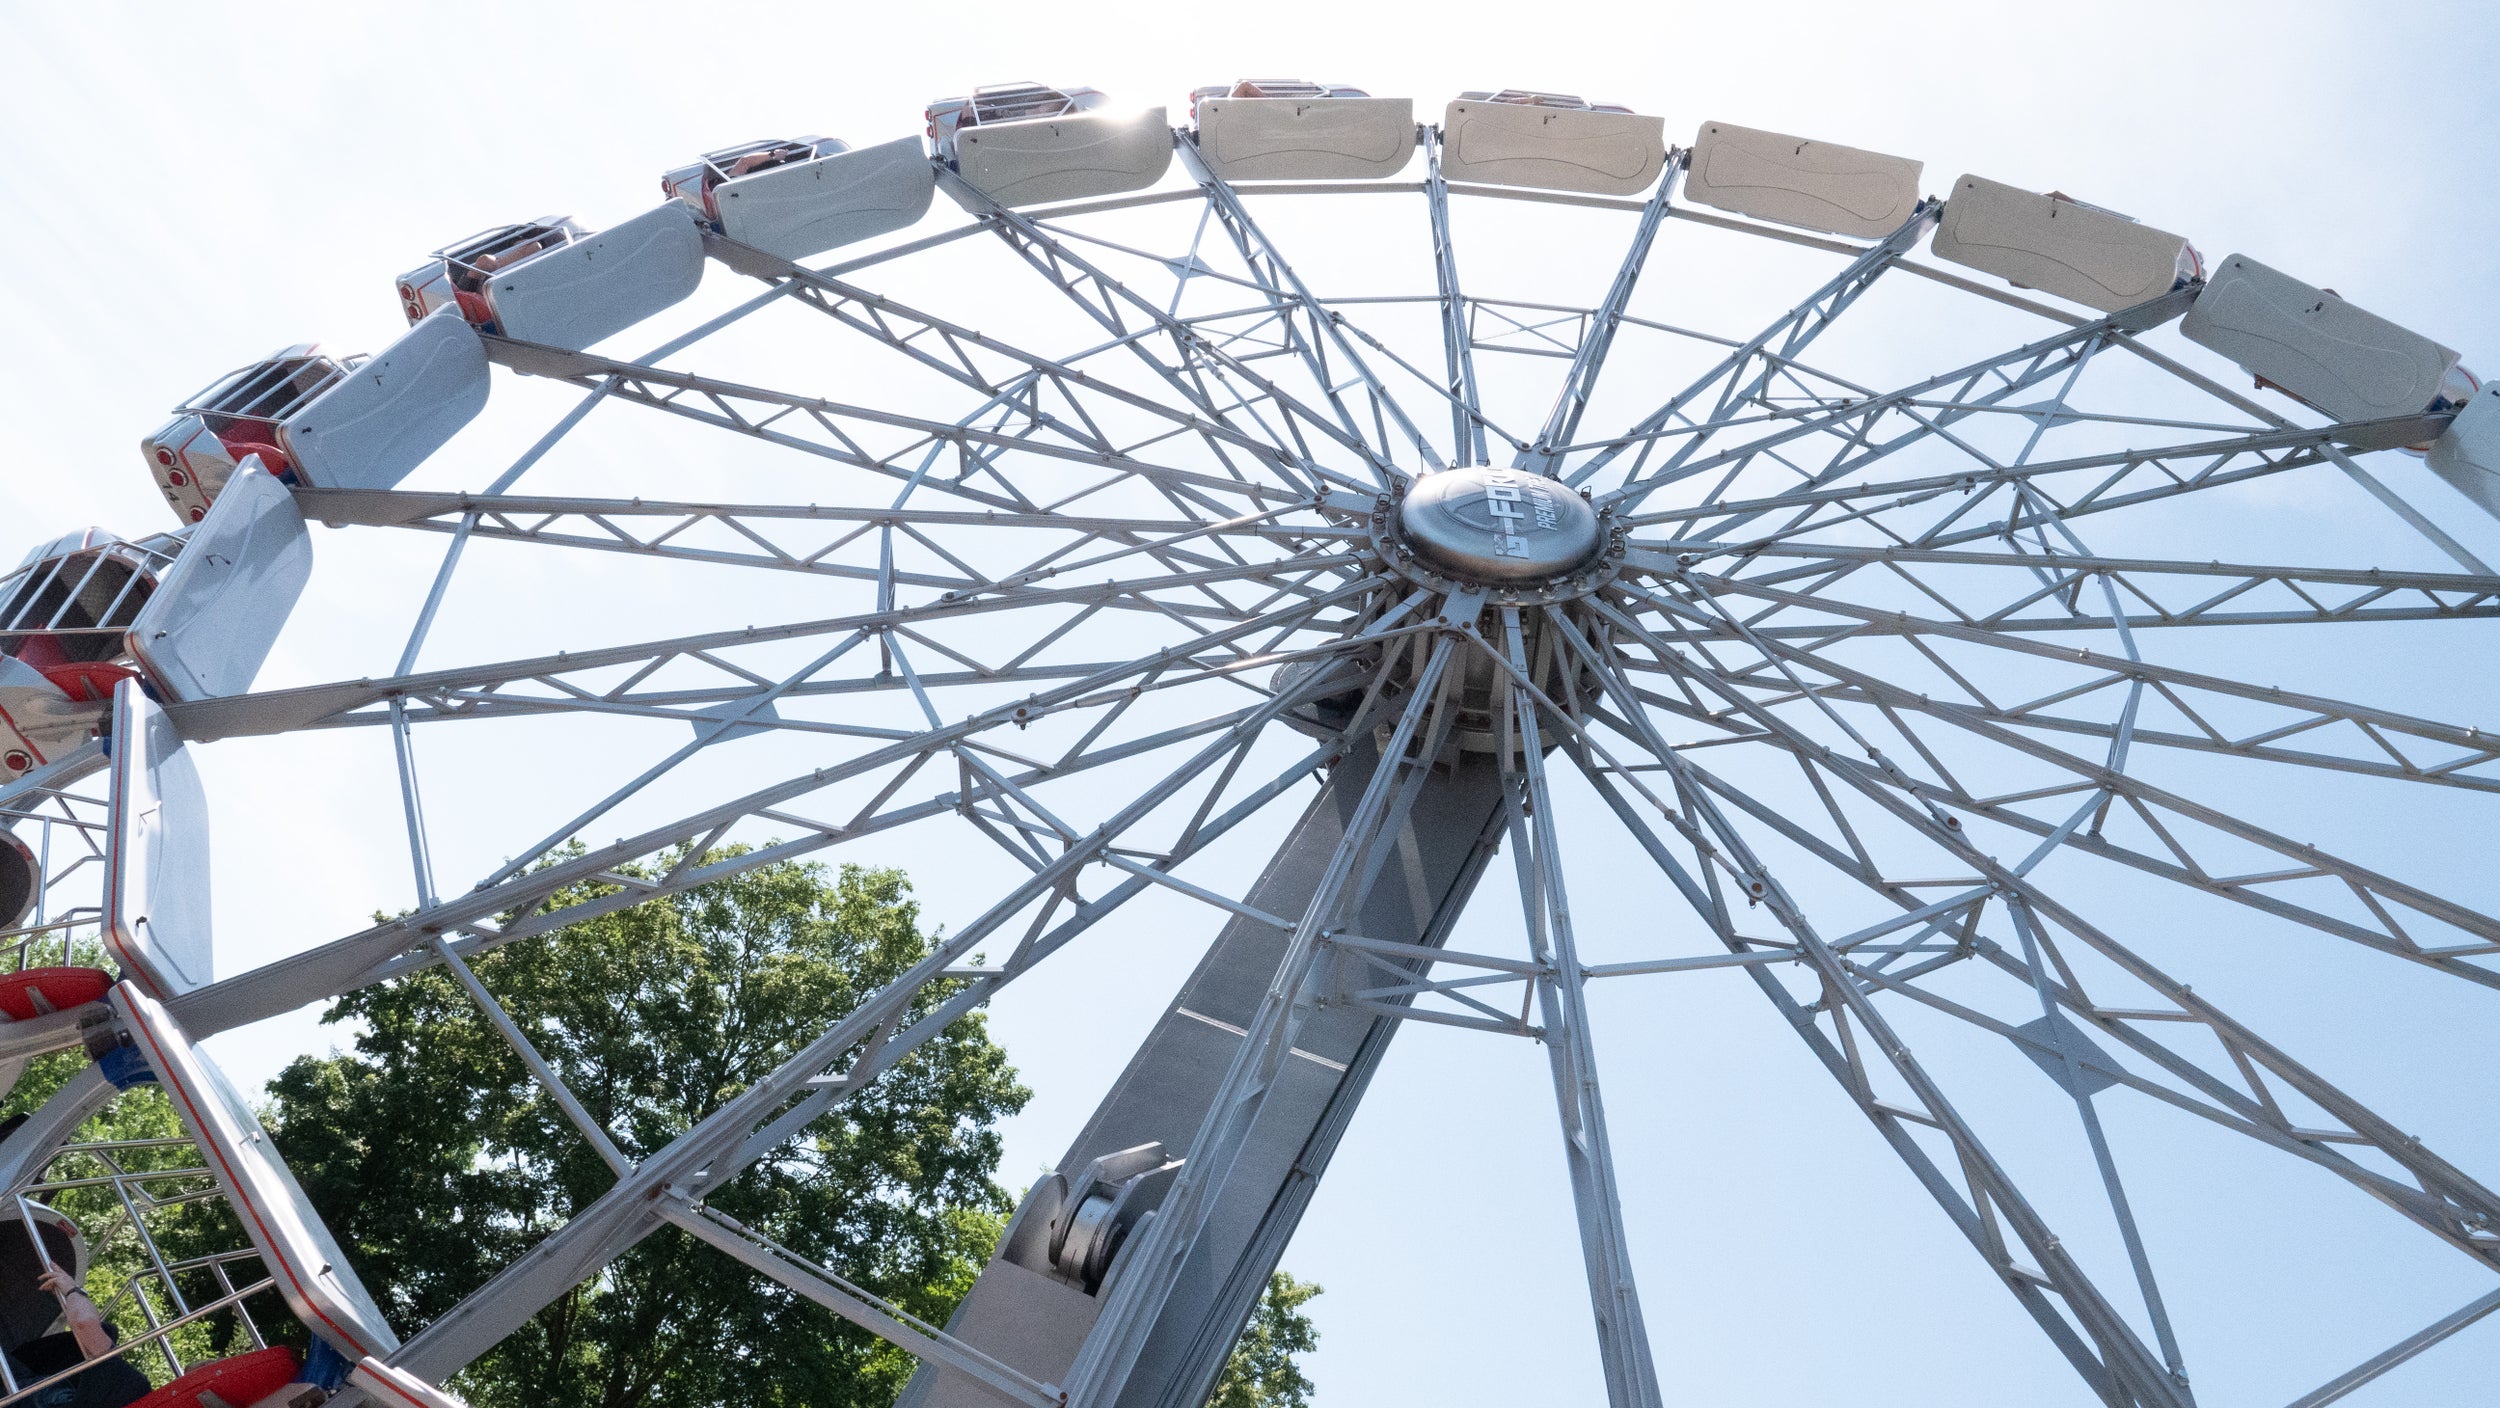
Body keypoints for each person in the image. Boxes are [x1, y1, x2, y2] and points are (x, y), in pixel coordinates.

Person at [2, 1269, 149, 1408]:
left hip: (32, 1396)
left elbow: (84, 1323)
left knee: (107, 1333)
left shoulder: (134, 1391)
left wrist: (72, 1289)